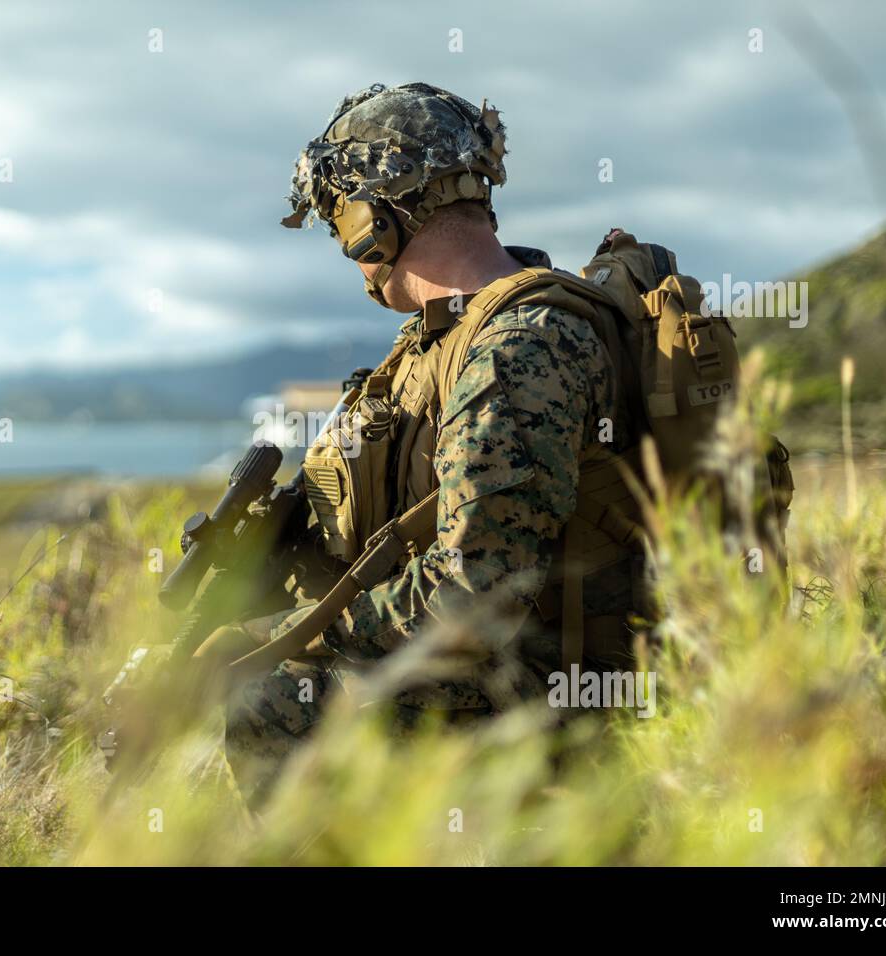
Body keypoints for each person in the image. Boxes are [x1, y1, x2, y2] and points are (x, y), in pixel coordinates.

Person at [200, 82, 641, 806]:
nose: (345, 247)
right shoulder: (444, 341)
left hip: (560, 689)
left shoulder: (517, 347)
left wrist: (279, 635)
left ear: (378, 214)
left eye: (338, 219)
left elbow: (479, 588)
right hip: (516, 658)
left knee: (267, 706)